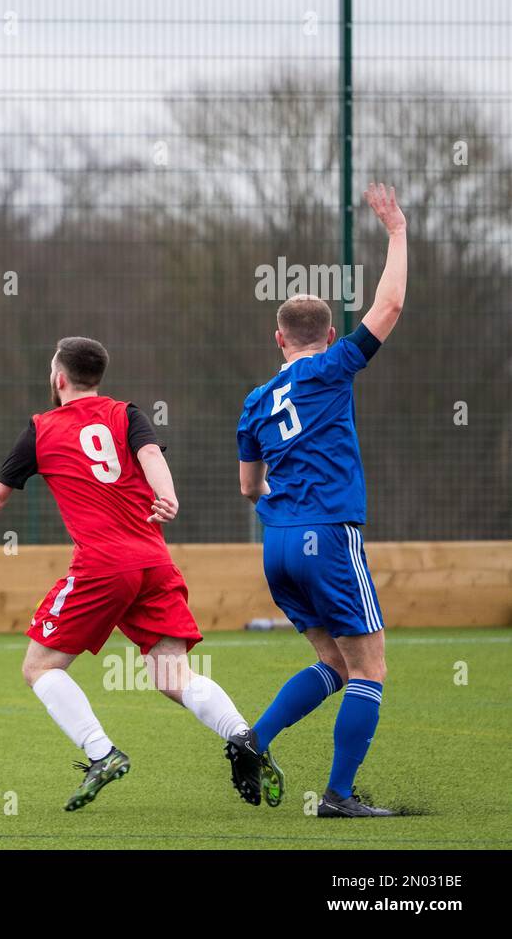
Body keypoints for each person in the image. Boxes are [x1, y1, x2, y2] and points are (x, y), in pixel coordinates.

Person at [0, 337, 267, 810]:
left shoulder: (42, 429)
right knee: (171, 674)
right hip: (154, 562)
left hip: (103, 566)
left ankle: (102, 753)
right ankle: (244, 736)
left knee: (39, 667)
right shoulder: (127, 414)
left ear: (59, 377)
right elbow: (151, 458)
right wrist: (168, 497)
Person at [237, 183, 407, 818]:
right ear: (329, 334)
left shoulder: (256, 400)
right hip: (330, 534)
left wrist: (278, 499)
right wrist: (396, 231)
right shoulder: (333, 367)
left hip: (277, 542)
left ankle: (255, 738)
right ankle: (337, 797)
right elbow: (388, 305)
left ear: (277, 338)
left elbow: (249, 487)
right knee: (370, 669)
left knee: (333, 663)